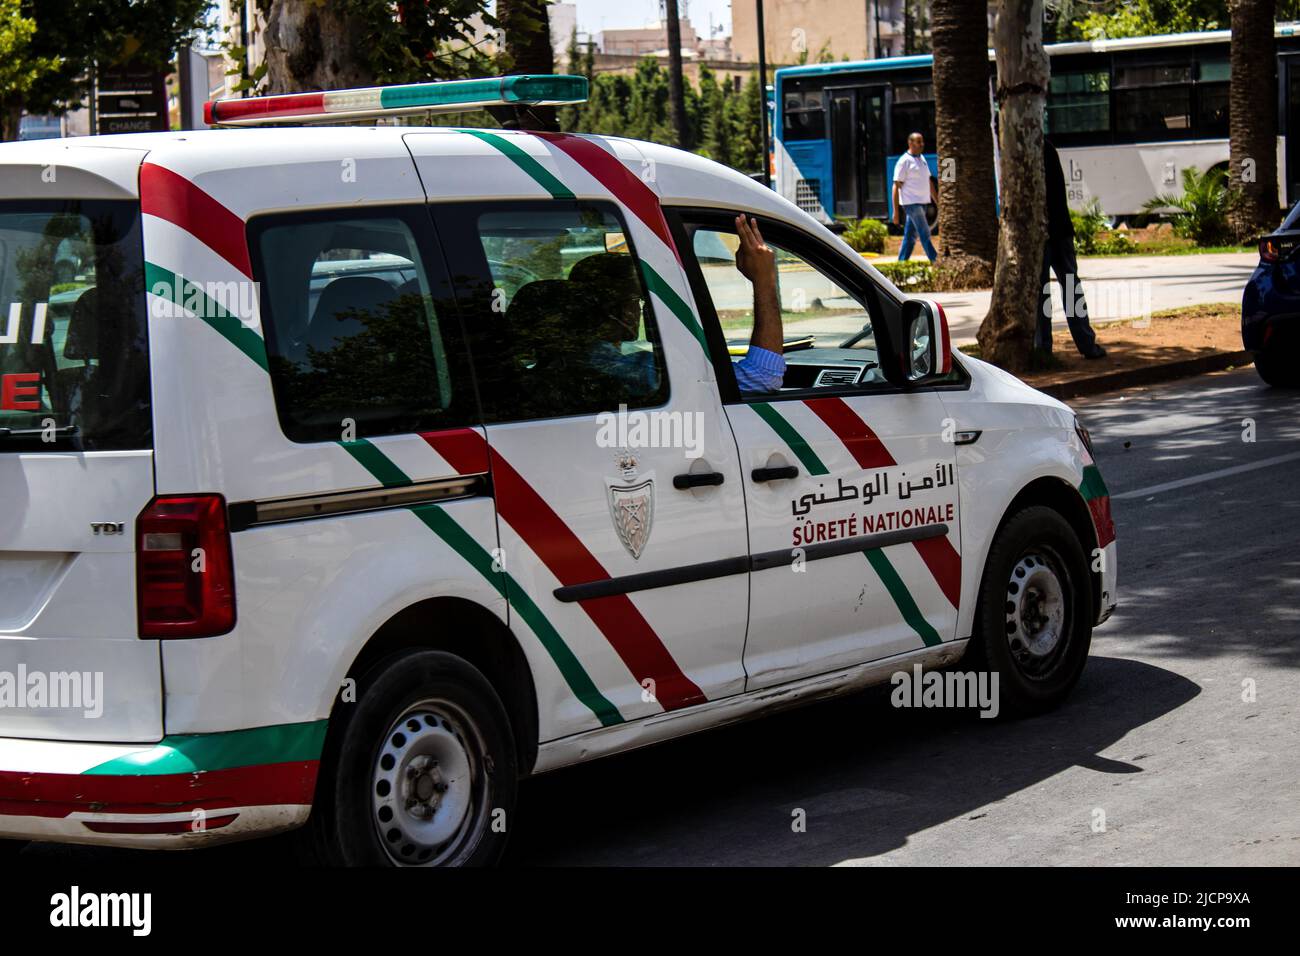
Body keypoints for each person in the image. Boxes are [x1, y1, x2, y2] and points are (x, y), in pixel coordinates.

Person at [1040, 139, 1105, 359]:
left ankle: (1043, 348)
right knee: (1070, 287)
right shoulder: (1047, 147)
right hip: (1060, 229)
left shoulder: (1028, 150)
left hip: (1044, 233)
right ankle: (1086, 343)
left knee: (1043, 292)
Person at [731, 213, 785, 393]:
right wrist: (763, 280)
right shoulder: (648, 372)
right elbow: (764, 377)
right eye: (638, 299)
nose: (639, 310)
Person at [892, 132, 938, 263]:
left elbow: (928, 182)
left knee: (910, 236)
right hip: (911, 204)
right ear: (910, 143)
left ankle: (901, 263)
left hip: (922, 203)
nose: (922, 144)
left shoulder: (921, 159)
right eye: (919, 142)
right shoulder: (904, 161)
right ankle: (935, 261)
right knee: (925, 233)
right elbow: (896, 187)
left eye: (922, 141)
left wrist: (937, 201)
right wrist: (896, 212)